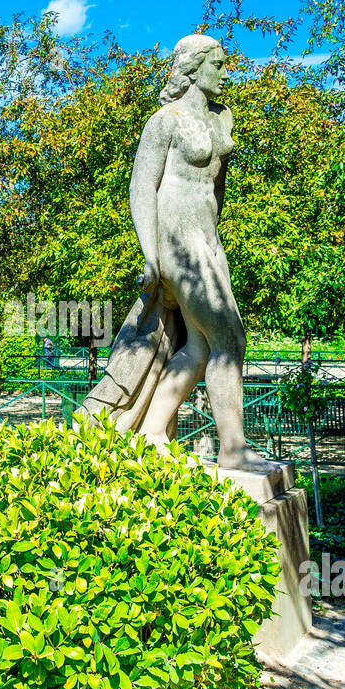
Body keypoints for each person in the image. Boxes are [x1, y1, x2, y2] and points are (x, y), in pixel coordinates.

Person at [81, 33, 270, 469]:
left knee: (202, 347)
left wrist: (215, 236)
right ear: (192, 67)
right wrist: (151, 255)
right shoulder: (164, 120)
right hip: (174, 237)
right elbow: (141, 187)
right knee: (230, 336)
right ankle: (234, 452)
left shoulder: (223, 118)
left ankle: (152, 431)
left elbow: (218, 186)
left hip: (206, 235)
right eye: (217, 64)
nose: (225, 71)